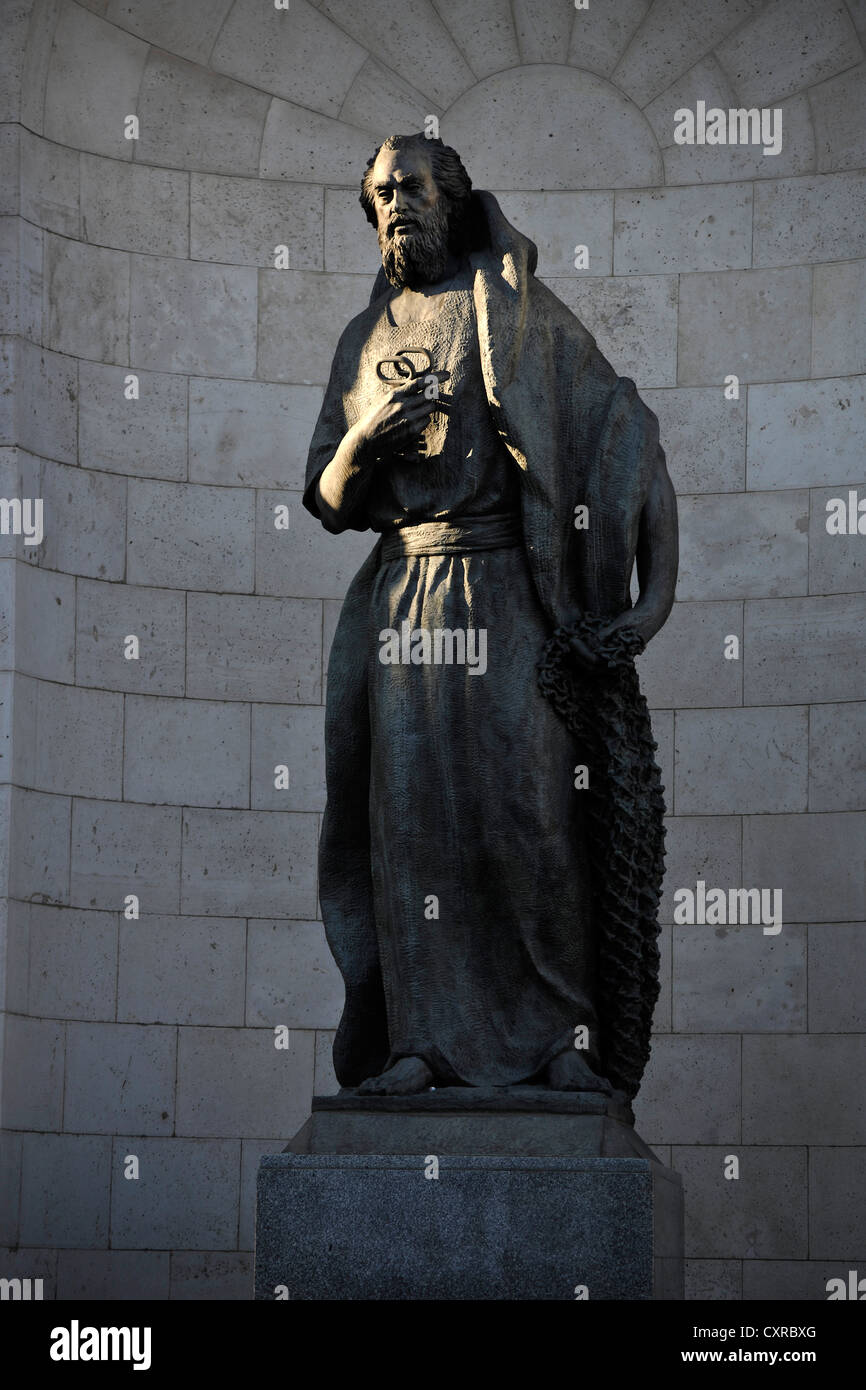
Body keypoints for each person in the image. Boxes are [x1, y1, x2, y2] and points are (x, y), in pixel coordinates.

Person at [303, 134, 678, 1099]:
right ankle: (418, 1044)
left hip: (511, 597)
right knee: (412, 827)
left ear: (453, 197)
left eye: (412, 188)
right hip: (405, 606)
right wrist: (364, 436)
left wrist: (652, 605)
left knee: (530, 814)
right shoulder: (364, 337)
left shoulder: (510, 312)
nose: (394, 206)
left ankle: (561, 1038)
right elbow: (329, 498)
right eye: (380, 193)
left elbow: (624, 430)